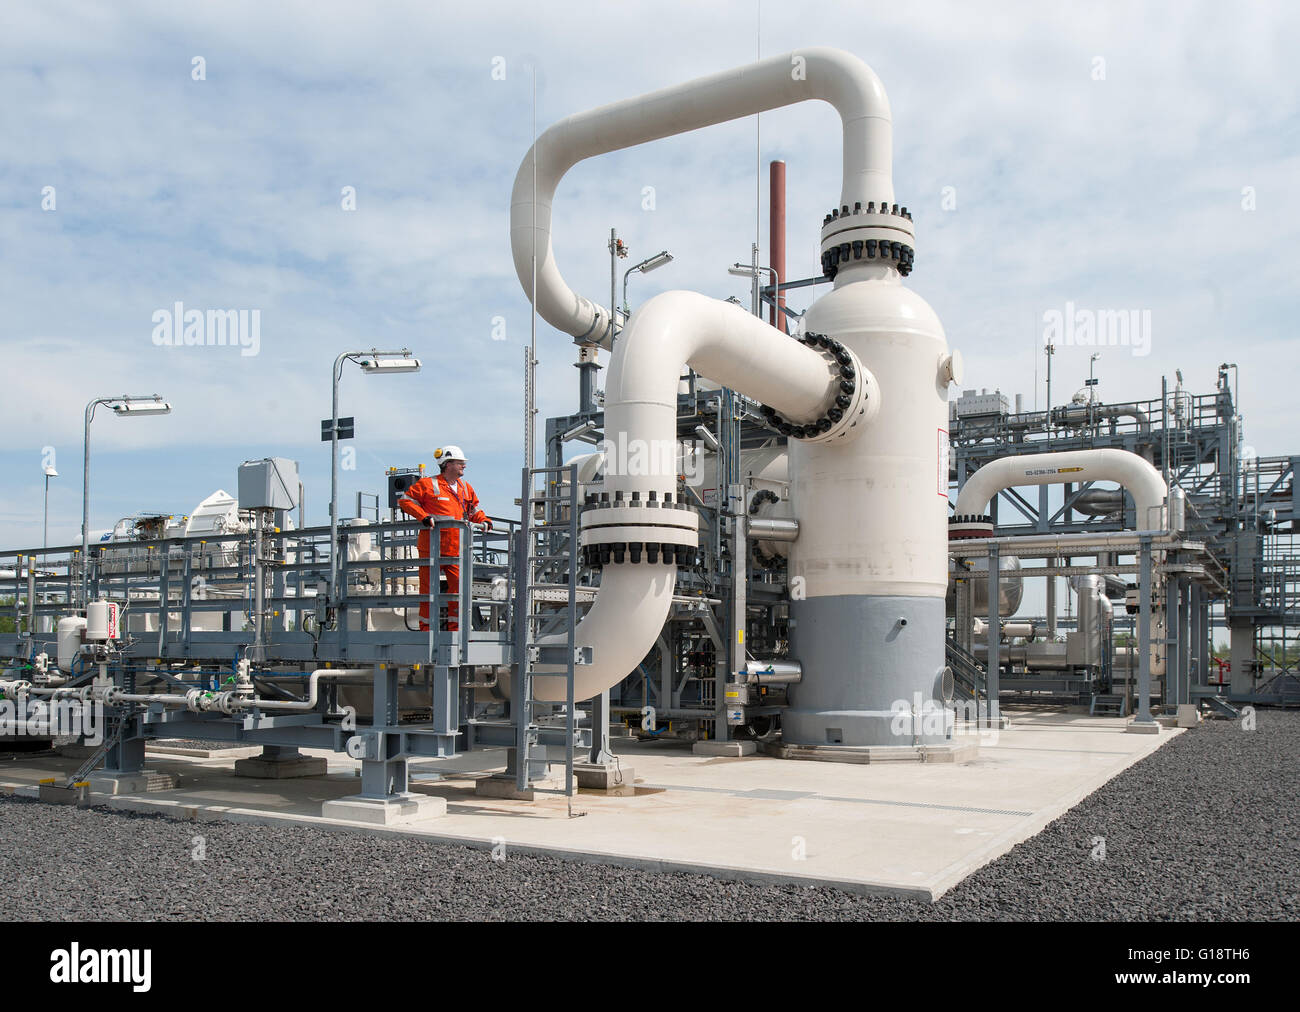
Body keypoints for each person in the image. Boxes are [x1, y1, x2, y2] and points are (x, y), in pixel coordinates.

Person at [397, 445, 491, 631]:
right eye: (460, 463)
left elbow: (474, 510)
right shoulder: (428, 485)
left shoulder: (465, 487)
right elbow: (405, 501)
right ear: (448, 464)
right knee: (428, 591)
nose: (464, 465)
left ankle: (456, 629)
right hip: (432, 547)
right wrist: (423, 516)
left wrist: (484, 520)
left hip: (457, 548)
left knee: (458, 591)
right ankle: (426, 630)